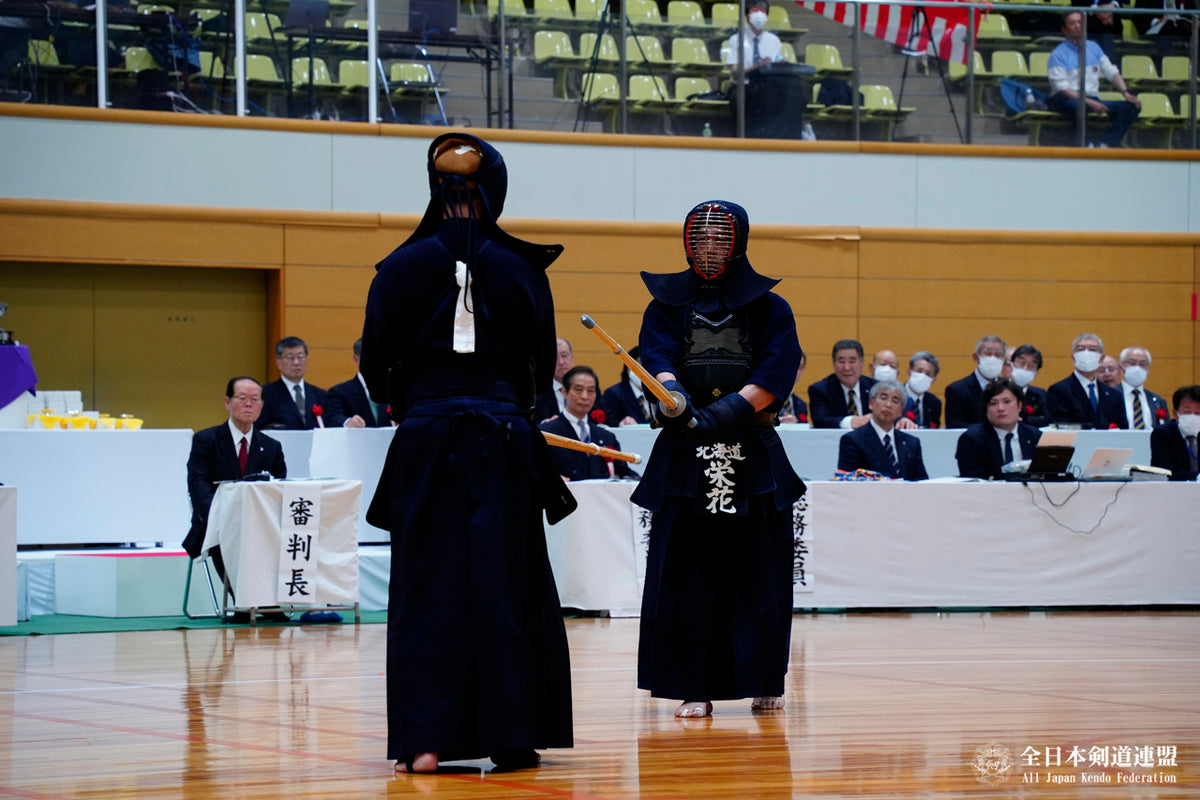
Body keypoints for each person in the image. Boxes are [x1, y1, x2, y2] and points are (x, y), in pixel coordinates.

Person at [360, 132, 574, 774]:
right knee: (508, 581)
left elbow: (374, 370)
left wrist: (421, 400)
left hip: (426, 438)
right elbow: (542, 364)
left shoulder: (398, 267)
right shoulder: (523, 269)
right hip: (504, 439)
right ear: (495, 192)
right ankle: (512, 738)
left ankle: (427, 741)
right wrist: (505, 402)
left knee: (429, 584)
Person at [634, 199, 804, 719]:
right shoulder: (665, 306)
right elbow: (657, 357)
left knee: (759, 573)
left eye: (719, 238)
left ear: (738, 244)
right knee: (688, 575)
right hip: (685, 453)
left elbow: (776, 371)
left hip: (751, 453)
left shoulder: (772, 308)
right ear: (687, 244)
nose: (708, 247)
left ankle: (764, 678)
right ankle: (694, 685)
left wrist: (726, 412)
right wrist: (674, 398)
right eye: (700, 238)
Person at [183, 376, 288, 623]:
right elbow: (197, 485)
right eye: (242, 398)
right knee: (229, 535)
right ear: (227, 402)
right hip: (216, 523)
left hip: (261, 526)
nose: (248, 404)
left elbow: (279, 490)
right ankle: (245, 601)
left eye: (254, 399)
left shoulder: (271, 447)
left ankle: (269, 601)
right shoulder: (206, 440)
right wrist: (220, 517)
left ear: (262, 405)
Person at [1047, 10, 1141, 148]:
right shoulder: (1057, 54)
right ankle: (1086, 146)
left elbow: (1111, 72)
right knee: (1080, 106)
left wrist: (1125, 93)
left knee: (1132, 106)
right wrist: (1089, 102)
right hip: (1068, 99)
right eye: (1072, 23)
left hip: (1092, 98)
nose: (1077, 26)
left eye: (1079, 22)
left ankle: (1106, 145)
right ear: (1064, 29)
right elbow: (1062, 89)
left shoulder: (1094, 48)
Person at [540, 365, 639, 480]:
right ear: (564, 392)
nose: (584, 396)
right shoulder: (547, 433)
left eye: (590, 391)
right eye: (578, 390)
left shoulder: (607, 437)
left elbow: (624, 472)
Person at [836, 380, 929, 480]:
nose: (888, 404)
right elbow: (847, 482)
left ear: (901, 411)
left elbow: (922, 481)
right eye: (883, 398)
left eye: (895, 401)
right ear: (871, 404)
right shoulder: (853, 440)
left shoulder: (911, 443)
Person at [954, 378, 1044, 480]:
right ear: (986, 409)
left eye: (1007, 402)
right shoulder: (972, 440)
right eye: (993, 403)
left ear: (1019, 406)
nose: (1000, 408)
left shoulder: (1035, 436)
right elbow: (974, 481)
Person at [724, 0, 786, 138]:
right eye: (755, 10)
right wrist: (756, 67)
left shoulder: (774, 40)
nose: (759, 14)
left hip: (767, 87)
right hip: (743, 87)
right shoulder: (736, 39)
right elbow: (734, 73)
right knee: (741, 99)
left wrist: (779, 65)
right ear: (747, 15)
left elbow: (777, 62)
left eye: (763, 11)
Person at [1046, 332, 1128, 428]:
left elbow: (1123, 428)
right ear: (1073, 358)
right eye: (1081, 349)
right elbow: (1060, 427)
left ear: (1101, 359)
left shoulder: (1114, 394)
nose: (1086, 353)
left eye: (1092, 349)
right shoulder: (1059, 390)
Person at [258, 336, 329, 430]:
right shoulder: (266, 393)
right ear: (278, 363)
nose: (296, 362)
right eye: (290, 358)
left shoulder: (321, 395)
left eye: (300, 357)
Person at [808, 339, 875, 429]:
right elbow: (820, 421)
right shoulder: (820, 390)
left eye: (852, 361)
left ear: (862, 363)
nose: (847, 368)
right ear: (834, 364)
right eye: (841, 361)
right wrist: (850, 422)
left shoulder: (875, 387)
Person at [943, 335, 1007, 429]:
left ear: (1004, 360)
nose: (993, 358)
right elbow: (955, 426)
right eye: (988, 353)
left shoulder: (1010, 388)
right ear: (976, 357)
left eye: (998, 354)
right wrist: (992, 429)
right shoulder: (957, 390)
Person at [324, 338, 390, 428]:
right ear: (356, 359)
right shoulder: (339, 392)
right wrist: (348, 422)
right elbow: (332, 418)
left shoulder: (391, 390)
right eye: (370, 356)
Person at [1150, 385, 1200, 481]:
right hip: (1172, 487)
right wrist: (1197, 477)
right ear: (1175, 413)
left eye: (1198, 413)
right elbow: (1166, 472)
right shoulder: (1162, 434)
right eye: (1187, 411)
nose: (1193, 416)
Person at [600, 346, 653, 426]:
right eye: (640, 364)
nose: (644, 369)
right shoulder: (613, 394)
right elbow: (609, 424)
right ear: (628, 366)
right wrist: (622, 424)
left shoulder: (659, 394)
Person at [1118, 346, 1168, 430]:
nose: (1137, 367)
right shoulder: (1110, 397)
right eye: (1132, 363)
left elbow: (1165, 430)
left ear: (1148, 369)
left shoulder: (1158, 401)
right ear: (1121, 367)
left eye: (1142, 364)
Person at [1009, 343, 1051, 427]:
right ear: (1011, 364)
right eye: (1021, 363)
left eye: (1031, 366)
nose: (1025, 368)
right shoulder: (997, 389)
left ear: (1036, 372)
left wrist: (1023, 419)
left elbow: (1046, 419)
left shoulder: (1040, 394)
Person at [534, 337, 573, 421]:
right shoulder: (538, 391)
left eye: (564, 355)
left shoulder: (587, 386)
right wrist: (546, 425)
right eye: (555, 357)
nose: (561, 362)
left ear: (572, 357)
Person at [903, 351, 942, 429]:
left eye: (928, 374)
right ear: (909, 372)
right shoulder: (895, 396)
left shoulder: (935, 403)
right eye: (919, 371)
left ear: (933, 380)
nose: (922, 376)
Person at [779, 352, 809, 424]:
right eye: (791, 364)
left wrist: (796, 423)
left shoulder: (802, 405)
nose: (795, 369)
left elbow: (804, 427)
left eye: (800, 367)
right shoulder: (765, 398)